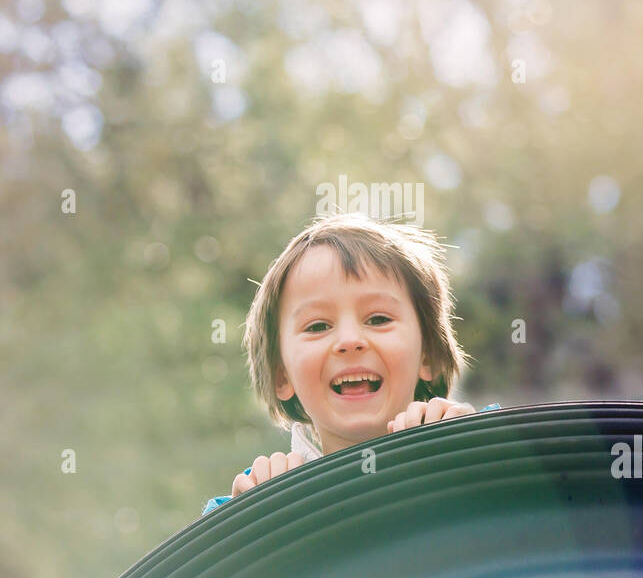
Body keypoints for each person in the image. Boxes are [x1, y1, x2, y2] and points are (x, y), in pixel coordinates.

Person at [201, 213, 499, 517]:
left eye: (378, 319)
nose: (349, 340)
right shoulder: (263, 499)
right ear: (282, 376)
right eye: (317, 326)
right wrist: (246, 524)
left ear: (428, 356)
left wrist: (476, 448)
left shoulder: (487, 445)